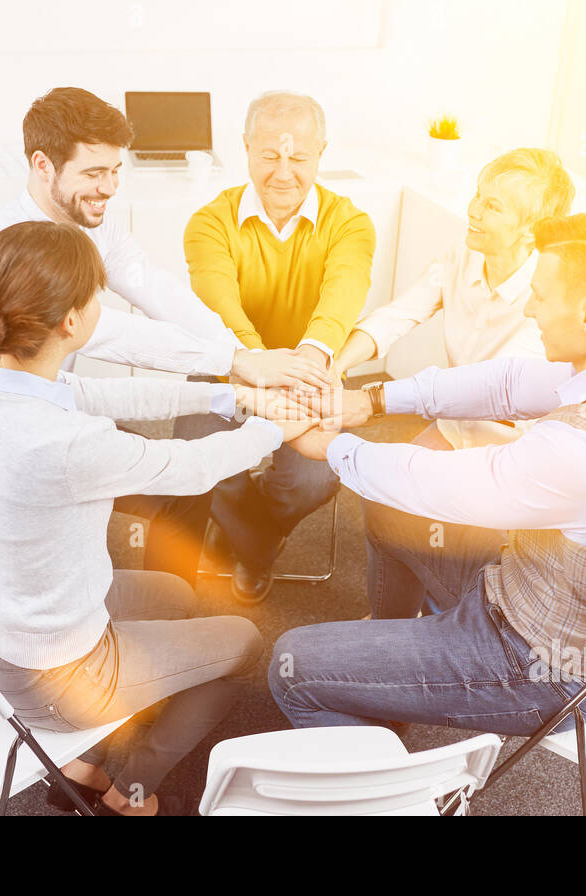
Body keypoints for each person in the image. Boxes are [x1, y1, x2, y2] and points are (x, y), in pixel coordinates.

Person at [269, 210, 586, 737]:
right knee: (389, 511)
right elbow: (508, 385)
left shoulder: (584, 453)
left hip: (538, 668)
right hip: (535, 589)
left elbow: (434, 484)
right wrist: (372, 399)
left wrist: (331, 447)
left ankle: (377, 769)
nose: (529, 308)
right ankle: (384, 684)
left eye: (541, 297)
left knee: (290, 666)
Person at [0, 220, 312, 815]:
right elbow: (188, 468)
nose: (101, 303)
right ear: (70, 322)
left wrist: (229, 397)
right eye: (97, 295)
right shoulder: (65, 445)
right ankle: (122, 791)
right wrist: (274, 429)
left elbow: (98, 397)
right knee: (244, 643)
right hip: (57, 677)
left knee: (174, 594)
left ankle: (95, 745)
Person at [0, 86, 329, 586]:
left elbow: (157, 292)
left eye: (116, 171)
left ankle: (168, 601)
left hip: (56, 406)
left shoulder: (89, 223)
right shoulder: (3, 248)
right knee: (167, 478)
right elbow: (113, 334)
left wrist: (244, 357)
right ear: (43, 166)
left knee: (182, 486)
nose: (110, 187)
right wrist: (240, 365)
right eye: (94, 173)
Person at [174, 90, 377, 602]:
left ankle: (245, 532)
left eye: (298, 157)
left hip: (313, 370)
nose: (283, 172)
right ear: (245, 147)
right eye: (269, 155)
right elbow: (222, 312)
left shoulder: (351, 223)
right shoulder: (208, 223)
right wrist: (260, 374)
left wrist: (304, 365)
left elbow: (342, 297)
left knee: (313, 479)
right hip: (227, 366)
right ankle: (258, 543)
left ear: (321, 154)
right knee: (197, 457)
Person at [331, 148, 575, 450]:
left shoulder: (546, 293)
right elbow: (399, 315)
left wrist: (372, 401)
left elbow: (489, 385)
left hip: (511, 446)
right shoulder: (462, 252)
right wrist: (336, 363)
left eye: (493, 207)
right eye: (477, 195)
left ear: (531, 230)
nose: (473, 210)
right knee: (379, 492)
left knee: (395, 482)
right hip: (454, 424)